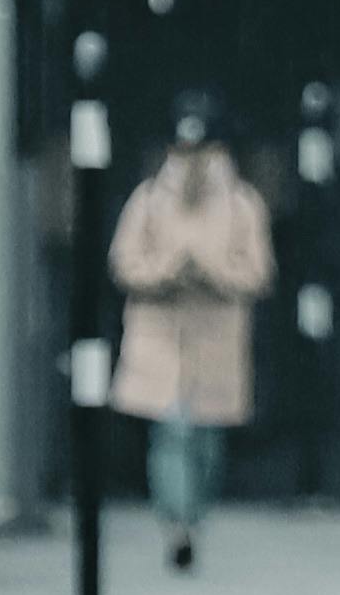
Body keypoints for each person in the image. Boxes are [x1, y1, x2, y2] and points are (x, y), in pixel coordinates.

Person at [104, 96, 276, 566]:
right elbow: (125, 263)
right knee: (171, 432)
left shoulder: (242, 205)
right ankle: (176, 524)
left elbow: (258, 272)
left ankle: (194, 517)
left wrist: (213, 274)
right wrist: (167, 272)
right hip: (160, 334)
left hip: (216, 335)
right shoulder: (149, 200)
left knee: (205, 440)